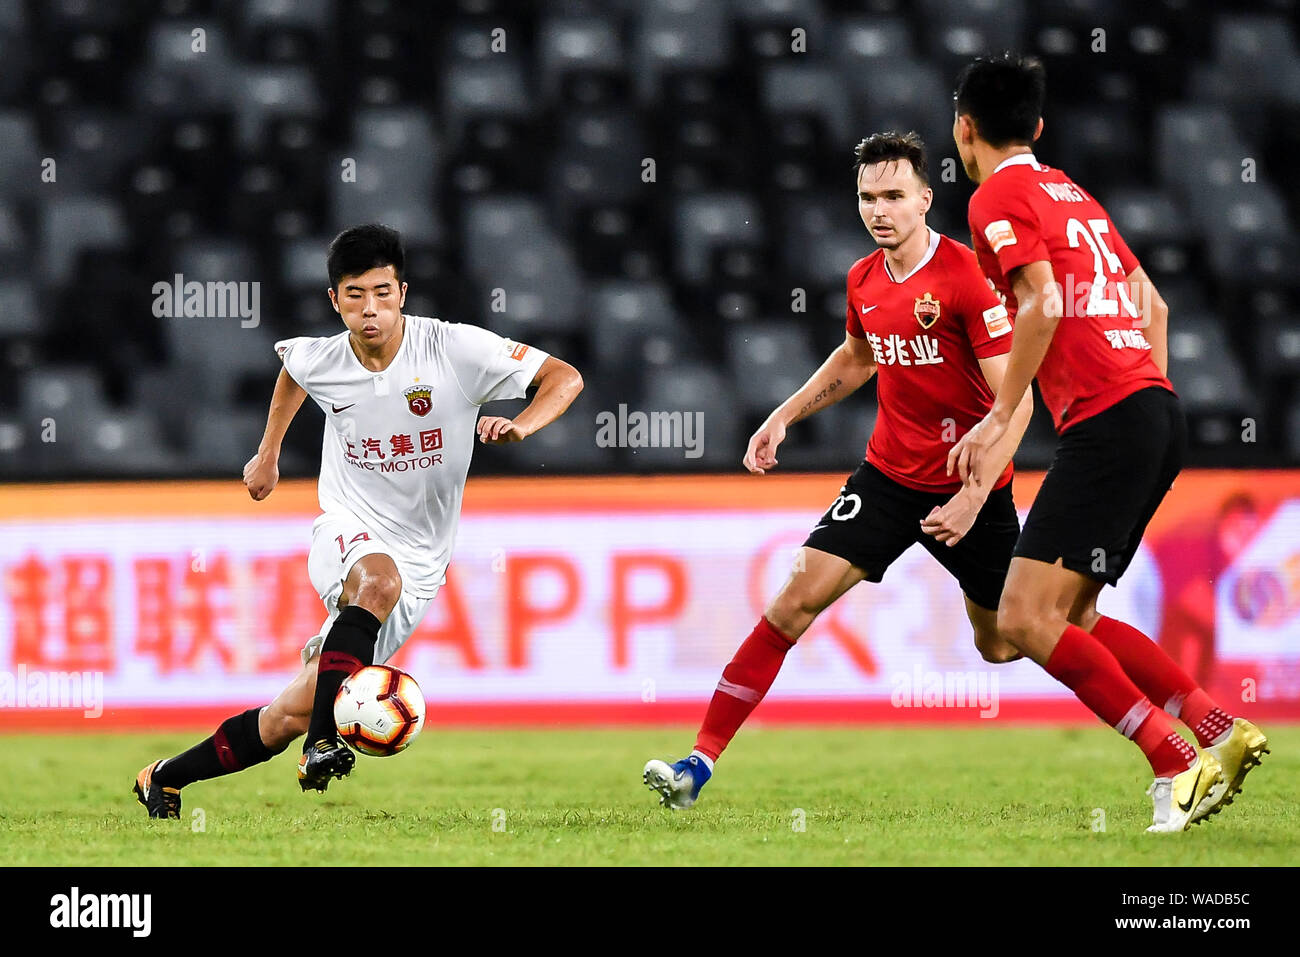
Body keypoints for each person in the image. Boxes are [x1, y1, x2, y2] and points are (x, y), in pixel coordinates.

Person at [134, 224, 582, 816]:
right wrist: (267, 454)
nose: (369, 310)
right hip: (346, 525)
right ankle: (324, 743)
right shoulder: (326, 356)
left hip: (424, 561)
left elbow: (564, 377)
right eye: (354, 296)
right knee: (376, 582)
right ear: (334, 301)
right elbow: (294, 371)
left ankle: (163, 777)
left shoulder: (455, 350)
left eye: (381, 292)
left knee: (290, 711)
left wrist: (522, 424)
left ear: (402, 293)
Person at [644, 131, 1033, 809]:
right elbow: (858, 357)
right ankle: (697, 763)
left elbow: (1016, 402)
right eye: (866, 197)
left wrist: (974, 494)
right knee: (792, 601)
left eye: (892, 196)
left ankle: (1151, 699)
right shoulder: (862, 279)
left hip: (970, 488)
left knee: (1005, 642)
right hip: (886, 479)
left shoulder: (968, 276)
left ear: (924, 199)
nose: (878, 210)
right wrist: (784, 415)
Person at [946, 53, 1266, 832]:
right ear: (1040, 127)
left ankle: (1173, 761)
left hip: (1110, 422)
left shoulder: (997, 196)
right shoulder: (1072, 192)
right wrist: (1139, 397)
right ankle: (1222, 732)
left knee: (1021, 617)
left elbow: (1044, 303)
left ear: (964, 128)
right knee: (1073, 617)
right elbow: (1151, 306)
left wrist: (1000, 415)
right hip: (1156, 412)